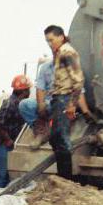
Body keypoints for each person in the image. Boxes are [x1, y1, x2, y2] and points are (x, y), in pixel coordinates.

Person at [43, 24, 87, 180]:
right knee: (55, 137)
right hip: (58, 98)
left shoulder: (67, 52)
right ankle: (63, 175)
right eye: (47, 41)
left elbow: (78, 80)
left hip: (64, 98)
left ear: (61, 37)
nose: (49, 43)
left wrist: (71, 105)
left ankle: (65, 178)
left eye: (51, 40)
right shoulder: (60, 52)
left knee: (61, 138)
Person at [20, 57, 93, 149]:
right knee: (24, 104)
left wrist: (85, 111)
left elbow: (79, 92)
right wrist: (41, 105)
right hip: (48, 103)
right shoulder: (45, 67)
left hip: (65, 104)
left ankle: (58, 130)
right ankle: (41, 132)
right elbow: (40, 89)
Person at [0, 74, 31, 188]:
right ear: (24, 91)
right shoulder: (9, 104)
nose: (29, 92)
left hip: (14, 143)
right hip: (4, 144)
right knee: (2, 173)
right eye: (28, 90)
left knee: (11, 173)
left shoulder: (21, 104)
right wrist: (8, 140)